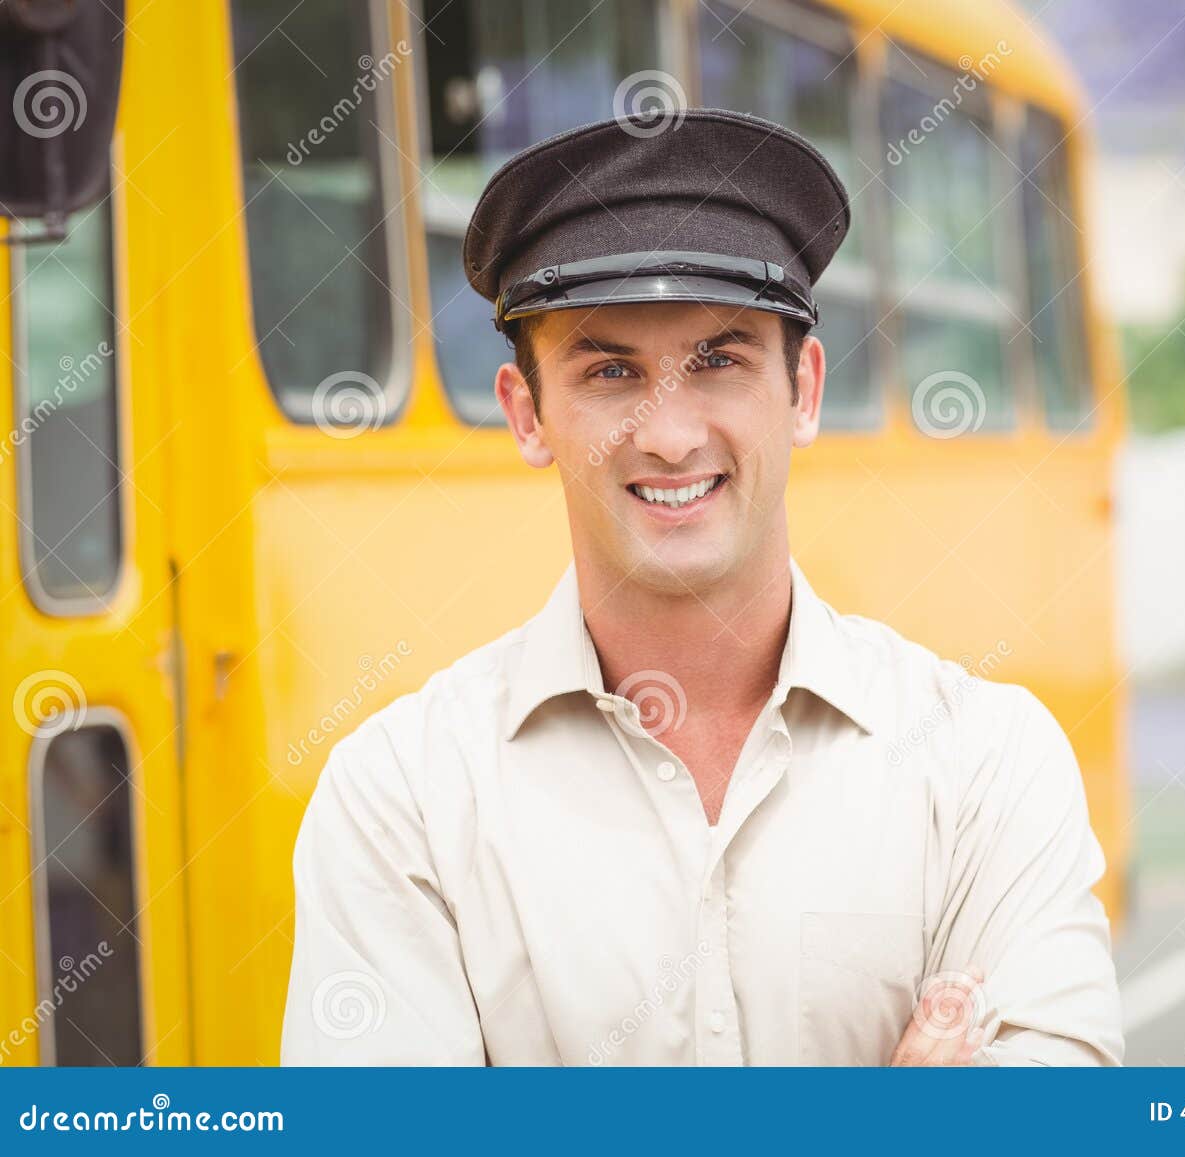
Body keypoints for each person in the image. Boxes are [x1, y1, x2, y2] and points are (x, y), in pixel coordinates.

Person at [280, 108, 1122, 1066]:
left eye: (718, 360)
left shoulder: (986, 766)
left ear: (803, 390)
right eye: (608, 369)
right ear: (526, 415)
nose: (670, 434)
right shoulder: (403, 801)